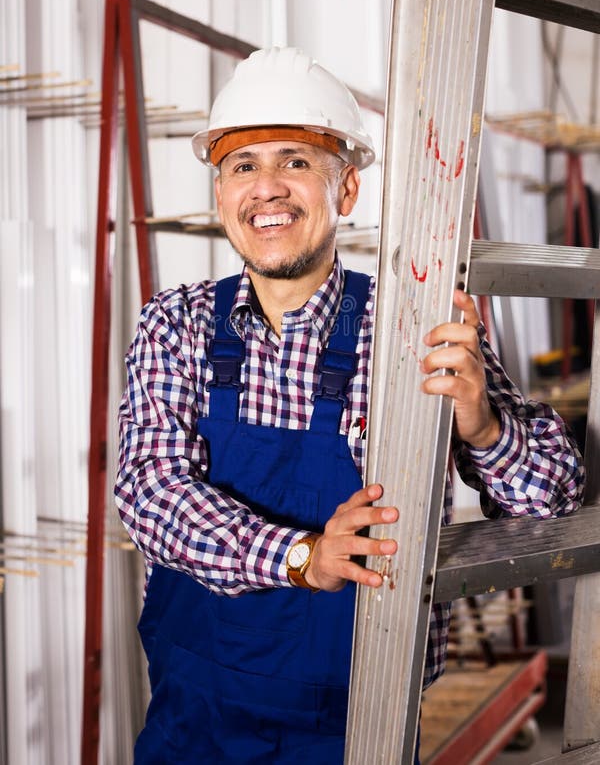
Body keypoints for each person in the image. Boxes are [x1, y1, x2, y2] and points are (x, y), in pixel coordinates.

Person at [116, 47, 584, 764]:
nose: (267, 189)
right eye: (244, 166)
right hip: (192, 722)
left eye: (296, 162)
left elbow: (553, 508)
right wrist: (302, 555)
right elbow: (149, 492)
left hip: (358, 724)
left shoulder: (411, 329)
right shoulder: (172, 325)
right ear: (220, 196)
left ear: (348, 190)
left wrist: (482, 424)